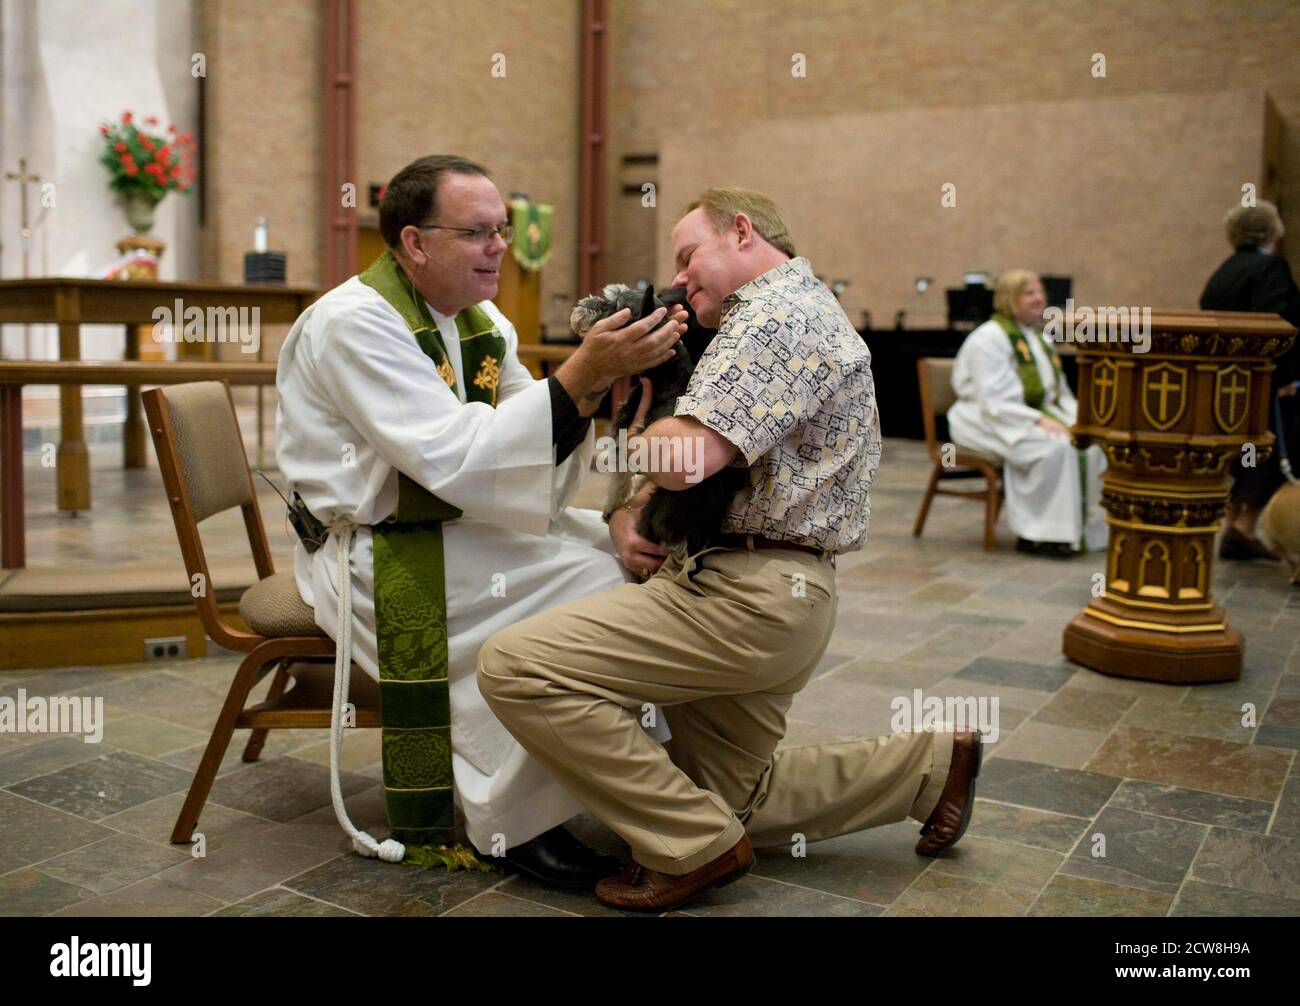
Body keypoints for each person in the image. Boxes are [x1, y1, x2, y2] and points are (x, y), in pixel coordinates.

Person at [478, 187, 980, 913]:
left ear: (741, 232)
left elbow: (685, 459)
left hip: (744, 599)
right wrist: (630, 508)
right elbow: (700, 467)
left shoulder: (778, 318)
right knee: (731, 801)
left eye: (689, 256)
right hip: (776, 590)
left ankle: (692, 847)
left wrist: (619, 400)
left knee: (518, 665)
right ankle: (926, 767)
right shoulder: (773, 317)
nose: (680, 280)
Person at [275, 154, 686, 887]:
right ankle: (520, 821)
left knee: (626, 560)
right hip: (375, 548)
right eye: (478, 232)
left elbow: (529, 436)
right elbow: (455, 455)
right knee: (594, 592)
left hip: (453, 521)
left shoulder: (479, 320)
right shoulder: (354, 324)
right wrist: (584, 375)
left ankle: (605, 779)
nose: (500, 247)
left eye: (504, 229)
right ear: (415, 242)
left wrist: (593, 407)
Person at [947, 270, 1107, 557]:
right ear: (1010, 298)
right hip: (983, 419)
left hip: (1017, 414)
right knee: (1055, 448)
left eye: (1040, 292)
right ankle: (1041, 534)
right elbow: (993, 399)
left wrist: (1079, 422)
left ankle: (1078, 531)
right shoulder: (990, 338)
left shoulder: (1038, 339)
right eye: (1029, 293)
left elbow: (1056, 394)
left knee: (1088, 444)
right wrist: (1038, 420)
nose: (1039, 298)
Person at [1199, 200, 1300, 560]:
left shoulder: (1223, 271)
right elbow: (1277, 324)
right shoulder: (1271, 267)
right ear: (1272, 230)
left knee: (1239, 452)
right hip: (1265, 381)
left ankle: (1232, 525)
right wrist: (1288, 375)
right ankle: (1245, 526)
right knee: (1266, 451)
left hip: (1228, 384)